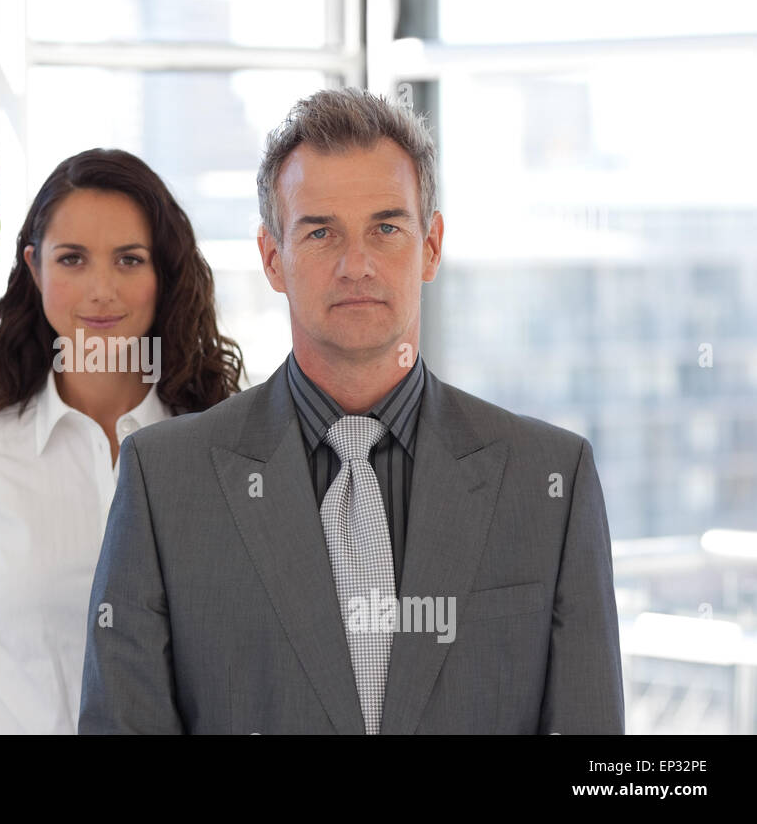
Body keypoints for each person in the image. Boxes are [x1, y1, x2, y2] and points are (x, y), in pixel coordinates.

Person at [79, 87, 625, 734]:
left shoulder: (548, 481)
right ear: (272, 258)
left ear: (431, 244)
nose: (357, 264)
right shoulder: (164, 479)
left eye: (387, 228)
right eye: (320, 231)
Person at [0, 149, 244, 734]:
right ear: (35, 269)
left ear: (165, 272)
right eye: (73, 259)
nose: (101, 290)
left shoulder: (227, 448)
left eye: (130, 260)